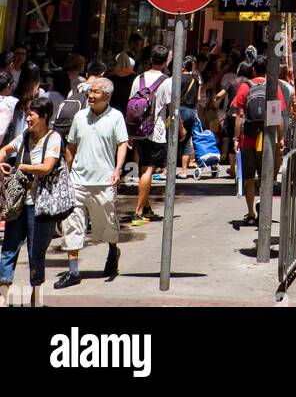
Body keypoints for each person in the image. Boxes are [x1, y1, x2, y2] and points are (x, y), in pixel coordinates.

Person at [53, 77, 128, 290]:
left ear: (107, 95)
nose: (90, 95)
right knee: (72, 226)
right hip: (77, 180)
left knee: (106, 225)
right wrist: (66, 173)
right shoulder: (79, 117)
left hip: (103, 182)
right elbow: (71, 146)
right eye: (90, 92)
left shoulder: (116, 117)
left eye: (95, 92)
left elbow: (122, 144)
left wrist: (117, 169)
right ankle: (73, 271)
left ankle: (113, 248)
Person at [0, 95, 62, 307]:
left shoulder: (53, 138)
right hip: (19, 204)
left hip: (41, 206)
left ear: (44, 117)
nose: (27, 119)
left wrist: (23, 167)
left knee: (36, 252)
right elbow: (4, 150)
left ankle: (36, 297)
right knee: (8, 248)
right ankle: (3, 297)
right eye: (27, 114)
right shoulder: (24, 137)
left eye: (31, 115)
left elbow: (47, 167)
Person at [231, 54, 289, 225]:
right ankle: (263, 209)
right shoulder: (274, 87)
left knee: (249, 178)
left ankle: (250, 215)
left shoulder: (245, 86)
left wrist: (236, 139)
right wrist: (281, 138)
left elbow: (239, 115)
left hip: (248, 138)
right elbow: (278, 116)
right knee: (266, 177)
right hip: (267, 140)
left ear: (254, 69)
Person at [128, 44, 173, 227]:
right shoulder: (166, 81)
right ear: (165, 61)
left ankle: (145, 207)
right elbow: (171, 107)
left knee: (142, 166)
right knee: (148, 169)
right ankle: (137, 212)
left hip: (138, 130)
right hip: (156, 131)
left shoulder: (138, 79)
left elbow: (131, 104)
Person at [178, 57, 201, 178]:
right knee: (187, 140)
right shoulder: (196, 79)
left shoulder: (178, 78)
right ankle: (184, 171)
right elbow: (198, 98)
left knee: (172, 139)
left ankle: (166, 169)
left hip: (179, 111)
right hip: (191, 111)